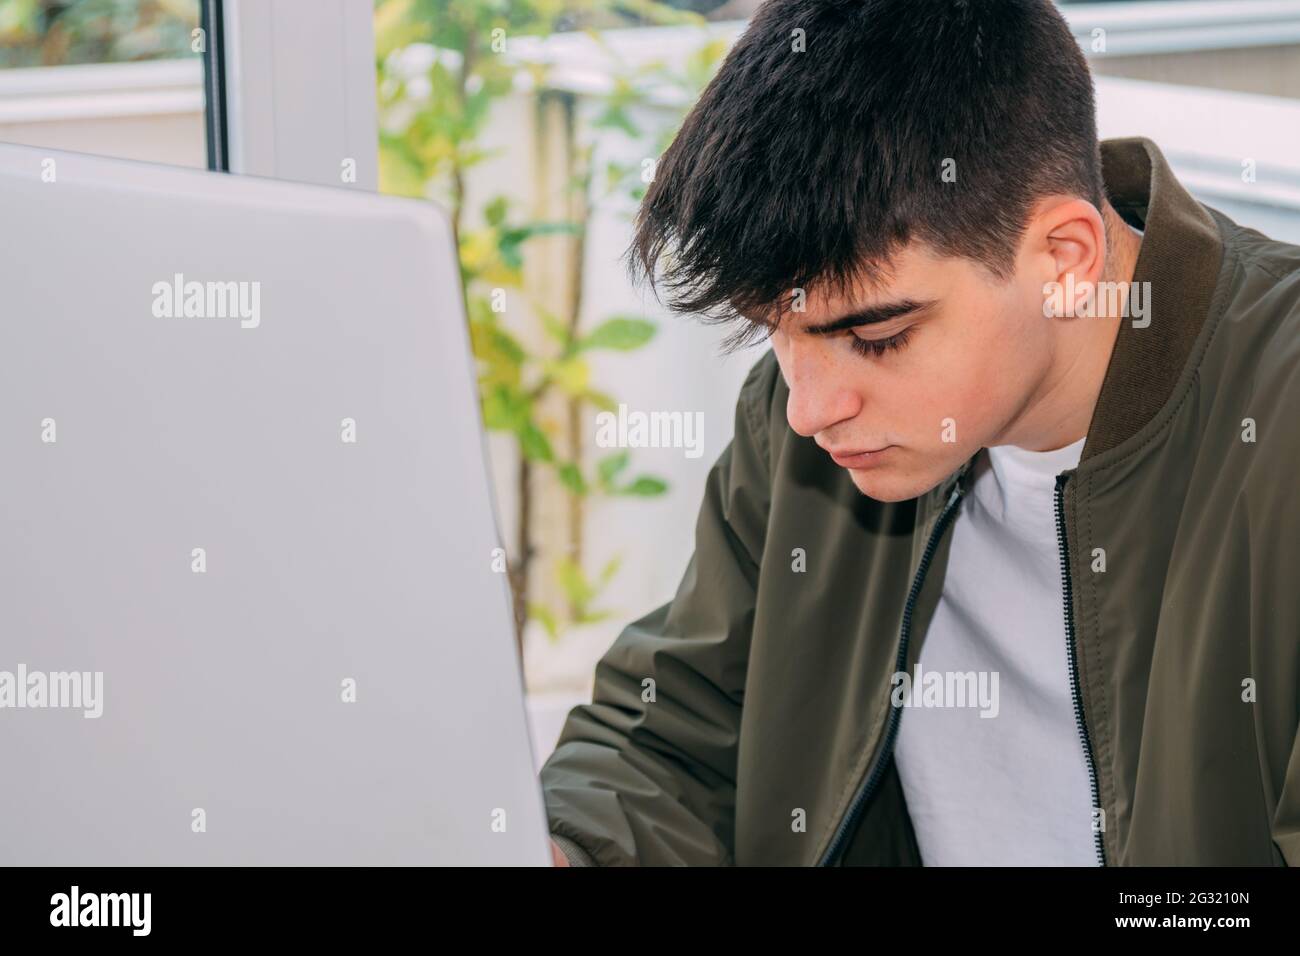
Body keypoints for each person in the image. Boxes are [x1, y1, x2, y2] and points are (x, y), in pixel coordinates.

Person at [541, 0, 1300, 866]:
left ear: (1064, 259)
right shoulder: (805, 415)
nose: (809, 412)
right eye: (774, 333)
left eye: (877, 337)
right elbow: (678, 734)